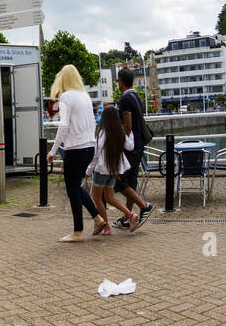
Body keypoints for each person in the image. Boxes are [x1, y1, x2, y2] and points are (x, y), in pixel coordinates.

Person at [47, 65, 104, 243]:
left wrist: (53, 150)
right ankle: (97, 219)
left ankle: (78, 231)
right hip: (89, 147)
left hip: (75, 148)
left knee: (72, 189)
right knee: (75, 187)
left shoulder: (66, 97)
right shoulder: (85, 96)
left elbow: (63, 126)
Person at [112, 68, 154, 229]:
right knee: (131, 182)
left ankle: (144, 206)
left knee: (119, 181)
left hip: (130, 147)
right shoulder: (136, 97)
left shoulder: (125, 100)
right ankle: (127, 218)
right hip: (140, 145)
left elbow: (128, 126)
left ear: (121, 82)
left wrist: (116, 138)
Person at [88, 105, 140, 235]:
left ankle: (105, 226)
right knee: (110, 198)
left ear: (104, 118)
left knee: (97, 198)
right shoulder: (120, 132)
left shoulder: (102, 132)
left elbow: (96, 154)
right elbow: (130, 146)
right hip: (114, 170)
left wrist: (88, 170)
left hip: (102, 170)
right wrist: (130, 131)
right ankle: (131, 215)